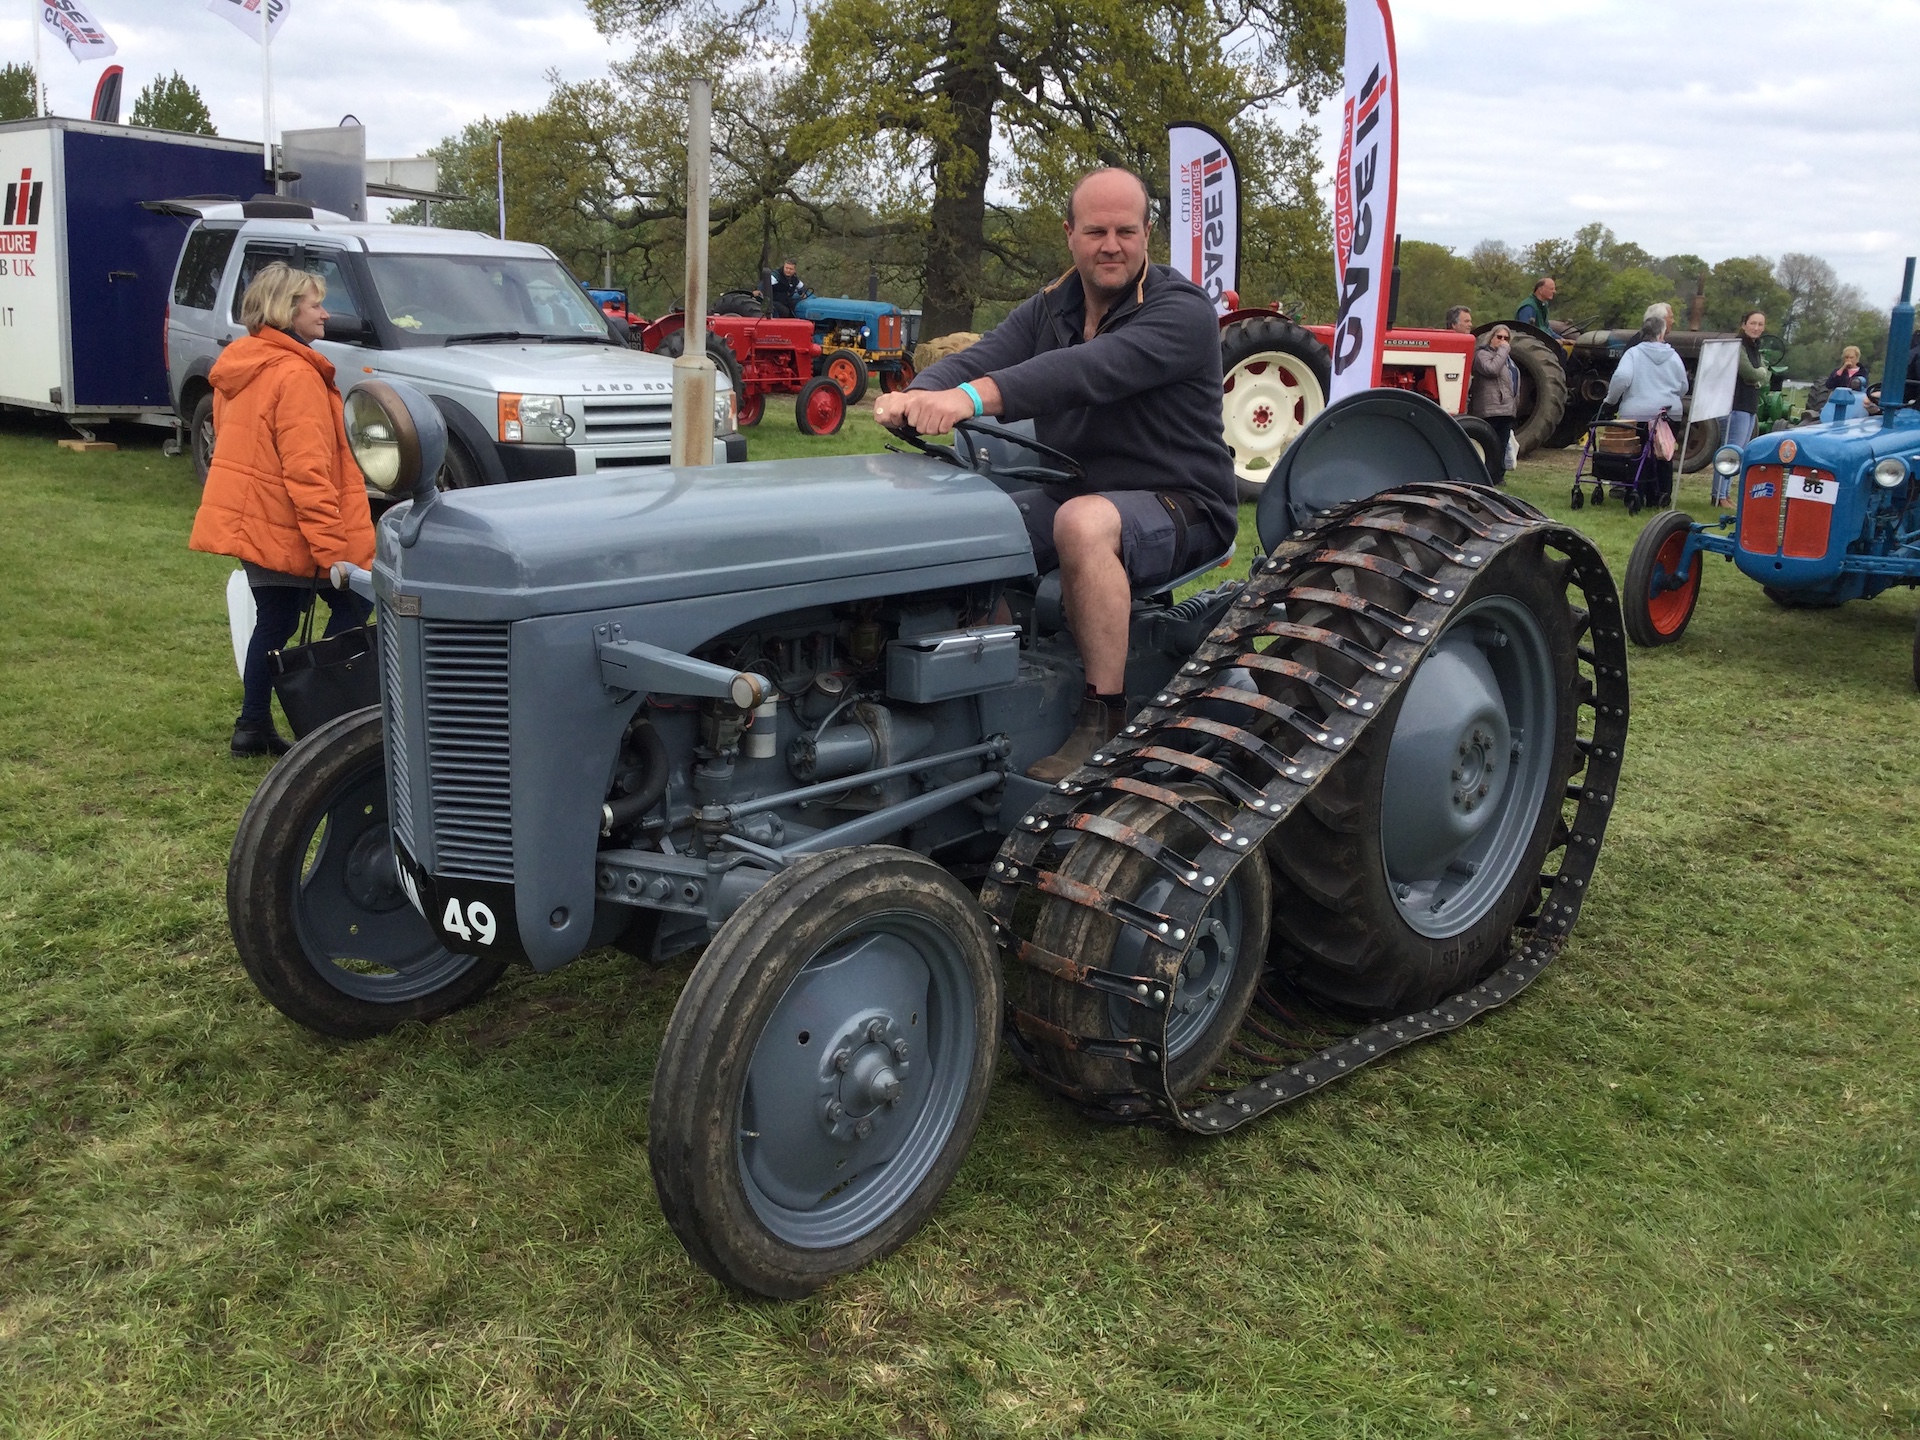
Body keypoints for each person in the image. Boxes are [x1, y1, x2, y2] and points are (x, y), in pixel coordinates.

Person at [871, 167, 1236, 782]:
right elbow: (986, 353)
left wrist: (971, 398)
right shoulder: (1051, 306)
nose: (1111, 245)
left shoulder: (1182, 312)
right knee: (970, 521)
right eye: (1096, 230)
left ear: (1149, 233)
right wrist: (917, 393)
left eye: (1126, 230)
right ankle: (969, 683)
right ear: (1070, 233)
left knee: (1082, 523)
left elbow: (1085, 371)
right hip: (1080, 484)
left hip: (1182, 501)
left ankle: (1104, 716)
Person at [189, 262, 374, 757]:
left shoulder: (244, 365)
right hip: (287, 527)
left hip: (257, 524)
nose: (326, 313)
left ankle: (252, 726)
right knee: (359, 604)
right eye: (316, 304)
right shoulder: (295, 374)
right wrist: (334, 551)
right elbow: (307, 472)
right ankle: (331, 725)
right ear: (287, 310)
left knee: (274, 622)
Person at [1602, 313, 1689, 507]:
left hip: (1637, 412)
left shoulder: (1633, 354)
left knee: (1637, 454)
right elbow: (1684, 386)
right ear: (1661, 334)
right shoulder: (1674, 356)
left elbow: (1622, 378)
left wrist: (1610, 401)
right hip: (1667, 413)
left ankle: (1637, 491)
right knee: (1663, 454)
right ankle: (1661, 494)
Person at [1719, 309, 1768, 508]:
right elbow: (1749, 372)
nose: (1756, 328)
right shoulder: (1737, 346)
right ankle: (1719, 495)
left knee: (1738, 454)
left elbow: (1764, 375)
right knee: (1729, 453)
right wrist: (1759, 376)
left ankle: (1726, 494)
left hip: (1750, 406)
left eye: (1760, 324)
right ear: (1743, 324)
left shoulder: (1755, 347)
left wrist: (1758, 376)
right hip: (1736, 405)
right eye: (1753, 323)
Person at [1469, 324, 1517, 486]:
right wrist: (1503, 351)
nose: (1503, 341)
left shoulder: (1506, 359)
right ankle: (1485, 475)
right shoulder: (1482, 355)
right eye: (1499, 337)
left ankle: (1498, 477)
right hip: (1489, 408)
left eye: (1506, 338)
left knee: (1502, 444)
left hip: (1506, 408)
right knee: (1489, 444)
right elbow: (1491, 370)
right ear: (1491, 337)